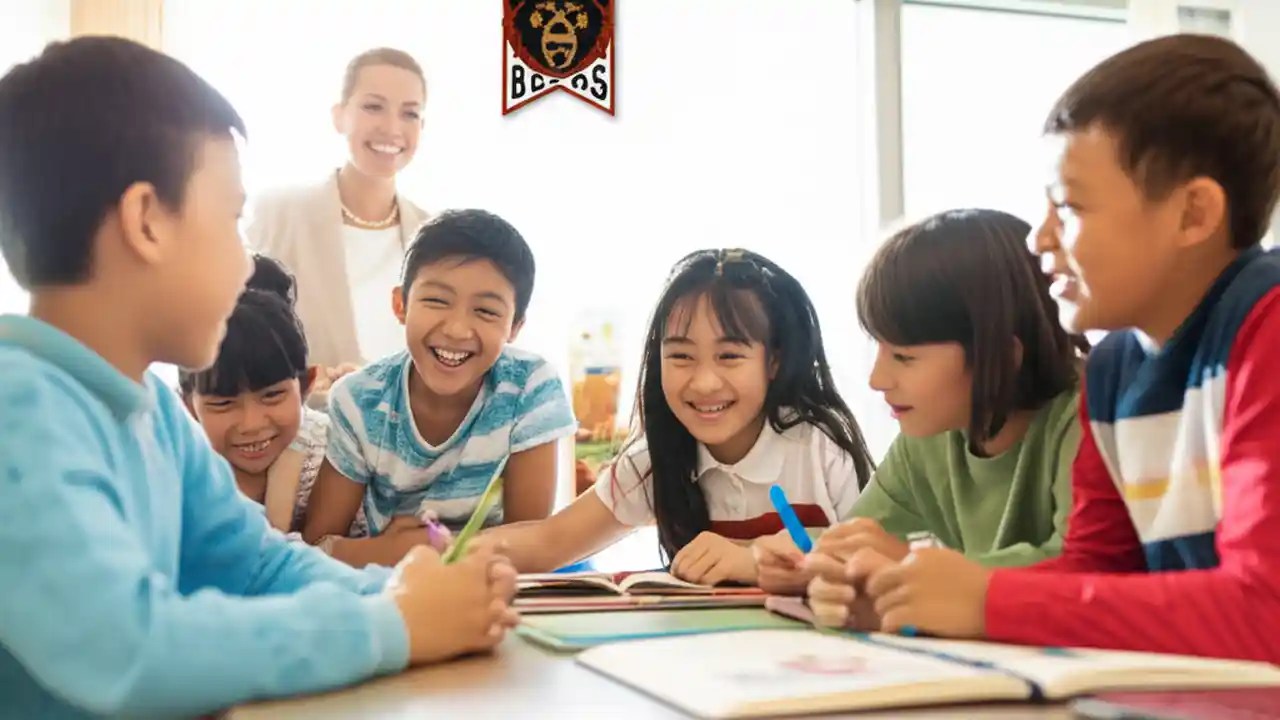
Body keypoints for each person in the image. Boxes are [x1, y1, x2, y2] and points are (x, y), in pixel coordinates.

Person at [0, 37, 515, 716]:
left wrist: (417, 597)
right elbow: (128, 649)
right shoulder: (19, 410)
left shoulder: (152, 409)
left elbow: (256, 565)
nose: (247, 264)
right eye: (231, 220)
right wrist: (394, 625)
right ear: (147, 222)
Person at [811, 34, 1280, 663]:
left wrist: (986, 602)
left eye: (1068, 206)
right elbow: (1097, 574)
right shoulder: (1115, 371)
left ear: (1192, 214)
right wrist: (905, 599)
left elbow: (1265, 612)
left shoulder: (1267, 331)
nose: (1040, 239)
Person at [468, 248, 875, 586]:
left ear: (774, 361)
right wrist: (445, 556)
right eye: (680, 356)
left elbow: (877, 561)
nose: (703, 382)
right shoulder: (656, 459)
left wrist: (751, 560)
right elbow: (550, 541)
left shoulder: (819, 446)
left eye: (729, 356)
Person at [761, 209, 1082, 605]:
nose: (877, 379)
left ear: (998, 357)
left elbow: (1082, 567)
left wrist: (905, 563)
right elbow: (860, 539)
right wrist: (809, 561)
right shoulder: (932, 431)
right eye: (879, 348)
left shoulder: (1084, 419)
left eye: (904, 357)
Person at [303, 209, 577, 568]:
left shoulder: (531, 388)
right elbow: (317, 547)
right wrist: (385, 552)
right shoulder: (359, 400)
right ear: (400, 304)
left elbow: (530, 544)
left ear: (514, 327)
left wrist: (436, 552)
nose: (457, 329)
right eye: (436, 301)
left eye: (486, 311)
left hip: (492, 583)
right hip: (395, 583)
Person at [248, 47, 430, 370]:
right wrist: (305, 384)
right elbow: (235, 334)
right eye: (373, 107)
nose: (392, 128)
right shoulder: (278, 216)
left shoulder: (433, 236)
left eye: (410, 114)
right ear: (339, 116)